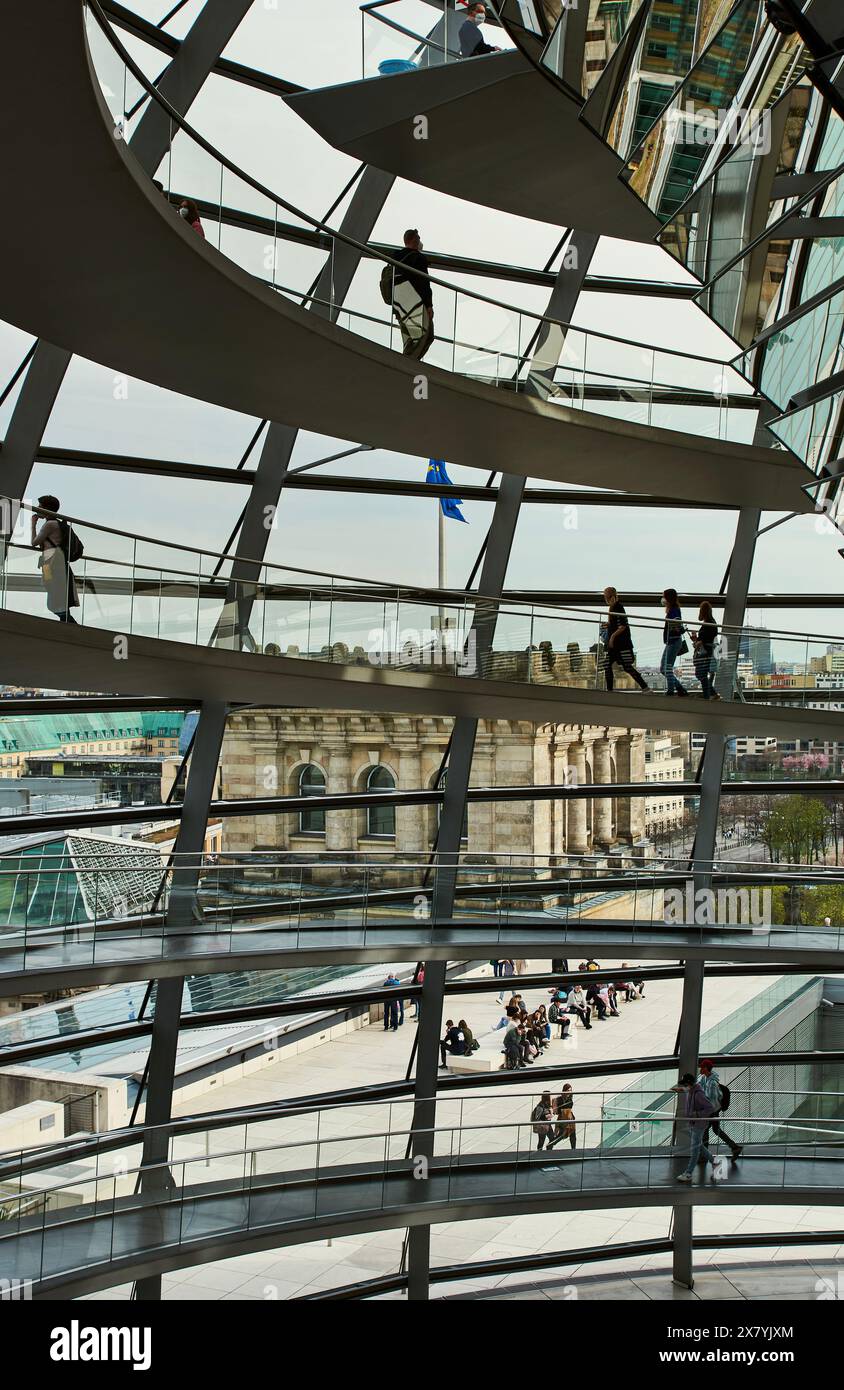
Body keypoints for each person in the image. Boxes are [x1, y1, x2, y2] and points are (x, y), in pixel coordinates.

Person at [31, 496, 79, 623]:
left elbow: (34, 542)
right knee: (54, 595)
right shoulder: (55, 523)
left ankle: (72, 625)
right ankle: (68, 624)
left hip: (51, 564)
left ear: (47, 508)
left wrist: (33, 524)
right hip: (50, 563)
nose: (37, 509)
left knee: (54, 596)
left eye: (40, 506)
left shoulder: (50, 525)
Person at [390, 229, 434, 360]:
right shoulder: (418, 258)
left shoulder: (395, 257)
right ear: (414, 240)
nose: (420, 242)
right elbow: (424, 283)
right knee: (427, 335)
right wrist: (429, 305)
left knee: (409, 338)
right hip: (415, 304)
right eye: (419, 238)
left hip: (399, 305)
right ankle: (409, 363)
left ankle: (407, 360)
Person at [673, 1072, 721, 1181]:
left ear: (689, 1083)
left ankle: (688, 1173)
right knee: (699, 1146)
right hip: (693, 1123)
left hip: (699, 1124)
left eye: (685, 1084)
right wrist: (680, 1090)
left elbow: (709, 1108)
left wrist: (696, 1115)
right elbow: (687, 1090)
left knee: (695, 1149)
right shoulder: (691, 1090)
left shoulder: (698, 1094)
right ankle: (715, 1163)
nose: (684, 1086)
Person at [602, 586, 649, 692]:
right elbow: (618, 624)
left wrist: (612, 637)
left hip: (620, 644)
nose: (604, 597)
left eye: (605, 595)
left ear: (609, 596)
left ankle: (644, 687)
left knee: (625, 666)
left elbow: (623, 626)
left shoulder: (617, 607)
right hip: (618, 644)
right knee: (611, 664)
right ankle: (610, 690)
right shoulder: (614, 607)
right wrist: (608, 625)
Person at [698, 1059, 742, 1160]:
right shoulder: (704, 1078)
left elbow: (711, 1098)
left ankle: (704, 1156)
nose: (700, 1068)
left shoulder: (712, 1082)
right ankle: (735, 1147)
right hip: (712, 1110)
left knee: (705, 1130)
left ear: (706, 1068)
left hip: (711, 1110)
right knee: (716, 1130)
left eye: (702, 1067)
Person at [660, 588, 688, 696]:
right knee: (665, 668)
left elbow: (676, 625)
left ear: (668, 598)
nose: (662, 599)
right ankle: (678, 689)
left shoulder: (674, 610)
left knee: (665, 668)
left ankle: (673, 690)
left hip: (673, 641)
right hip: (671, 641)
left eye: (664, 596)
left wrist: (674, 627)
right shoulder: (673, 609)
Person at [691, 600, 719, 700]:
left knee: (700, 674)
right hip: (708, 651)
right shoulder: (712, 622)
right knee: (701, 674)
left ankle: (711, 694)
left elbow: (701, 641)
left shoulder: (708, 624)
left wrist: (696, 640)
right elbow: (705, 639)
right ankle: (709, 695)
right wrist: (696, 639)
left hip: (705, 652)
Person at [549, 1086, 577, 1150]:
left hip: (570, 1118)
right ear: (564, 1090)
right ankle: (550, 1145)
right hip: (563, 1118)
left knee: (573, 1136)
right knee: (561, 1135)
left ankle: (574, 1150)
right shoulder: (560, 1099)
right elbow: (558, 1110)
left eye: (570, 1090)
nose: (569, 1092)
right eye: (568, 1090)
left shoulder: (569, 1097)